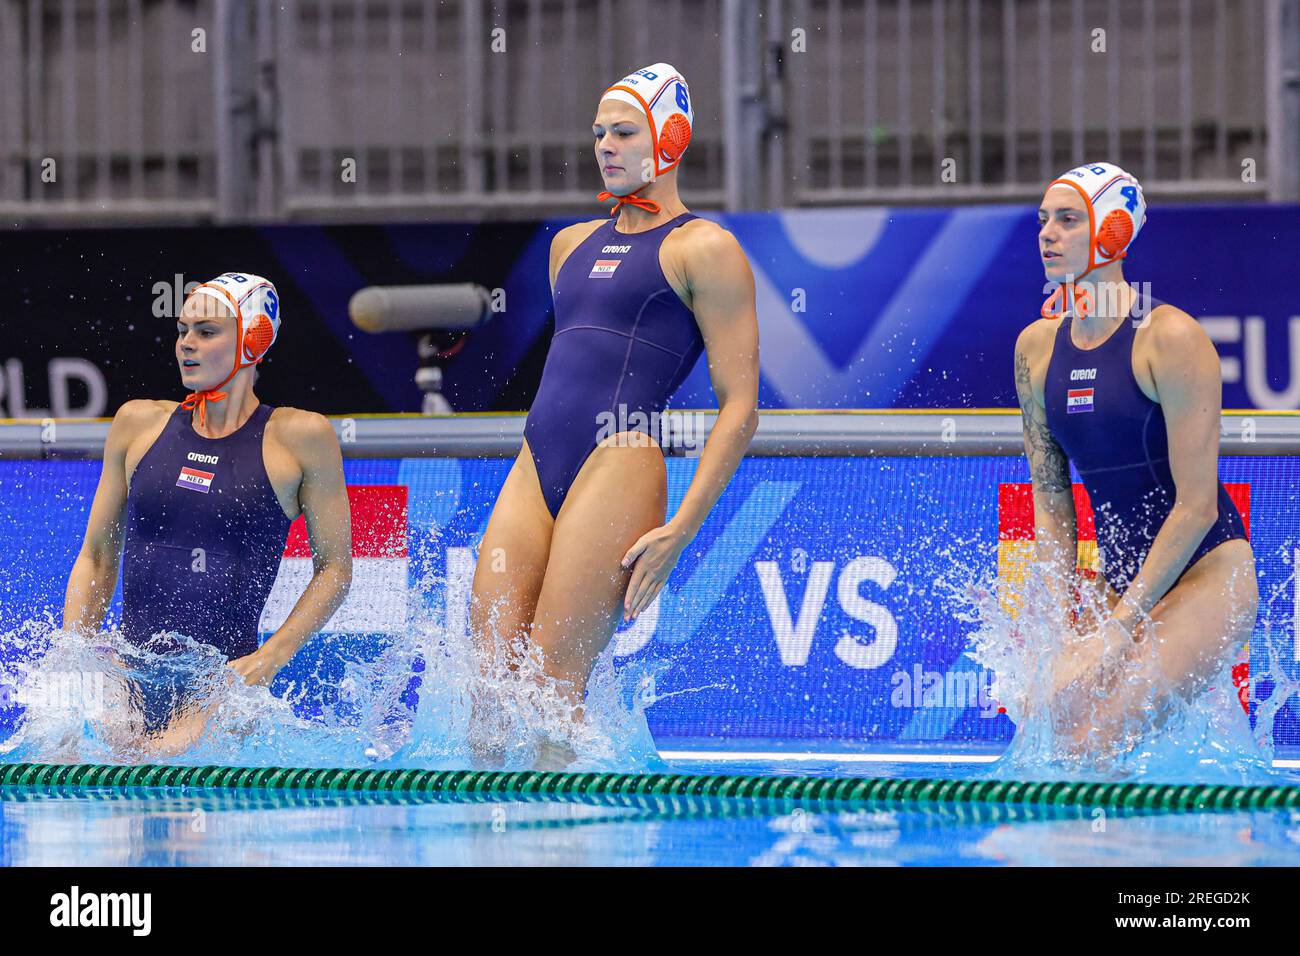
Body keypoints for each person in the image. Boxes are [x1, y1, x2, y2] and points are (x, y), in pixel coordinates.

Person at [469, 63, 760, 758]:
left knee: (551, 691)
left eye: (624, 131)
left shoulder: (705, 249)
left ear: (671, 137)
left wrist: (682, 529)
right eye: (599, 132)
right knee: (487, 693)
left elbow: (741, 407)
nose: (605, 145)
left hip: (619, 462)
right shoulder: (568, 246)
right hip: (535, 462)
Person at [1011, 163, 1257, 755]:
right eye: (1044, 220)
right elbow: (1050, 494)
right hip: (1122, 582)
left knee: (1097, 738)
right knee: (1046, 727)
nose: (1047, 233)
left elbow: (1197, 507)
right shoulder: (1036, 351)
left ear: (1114, 233)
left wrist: (1116, 630)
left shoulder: (1168, 338)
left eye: (1068, 220)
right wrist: (1059, 610)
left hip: (1204, 575)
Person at [62, 273, 352, 749]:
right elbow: (96, 556)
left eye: (206, 331)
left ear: (253, 340)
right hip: (126, 683)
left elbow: (336, 569)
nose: (186, 345)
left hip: (220, 695)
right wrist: (76, 662)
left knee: (173, 788)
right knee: (73, 764)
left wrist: (270, 657)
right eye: (182, 331)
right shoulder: (137, 424)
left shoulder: (299, 437)